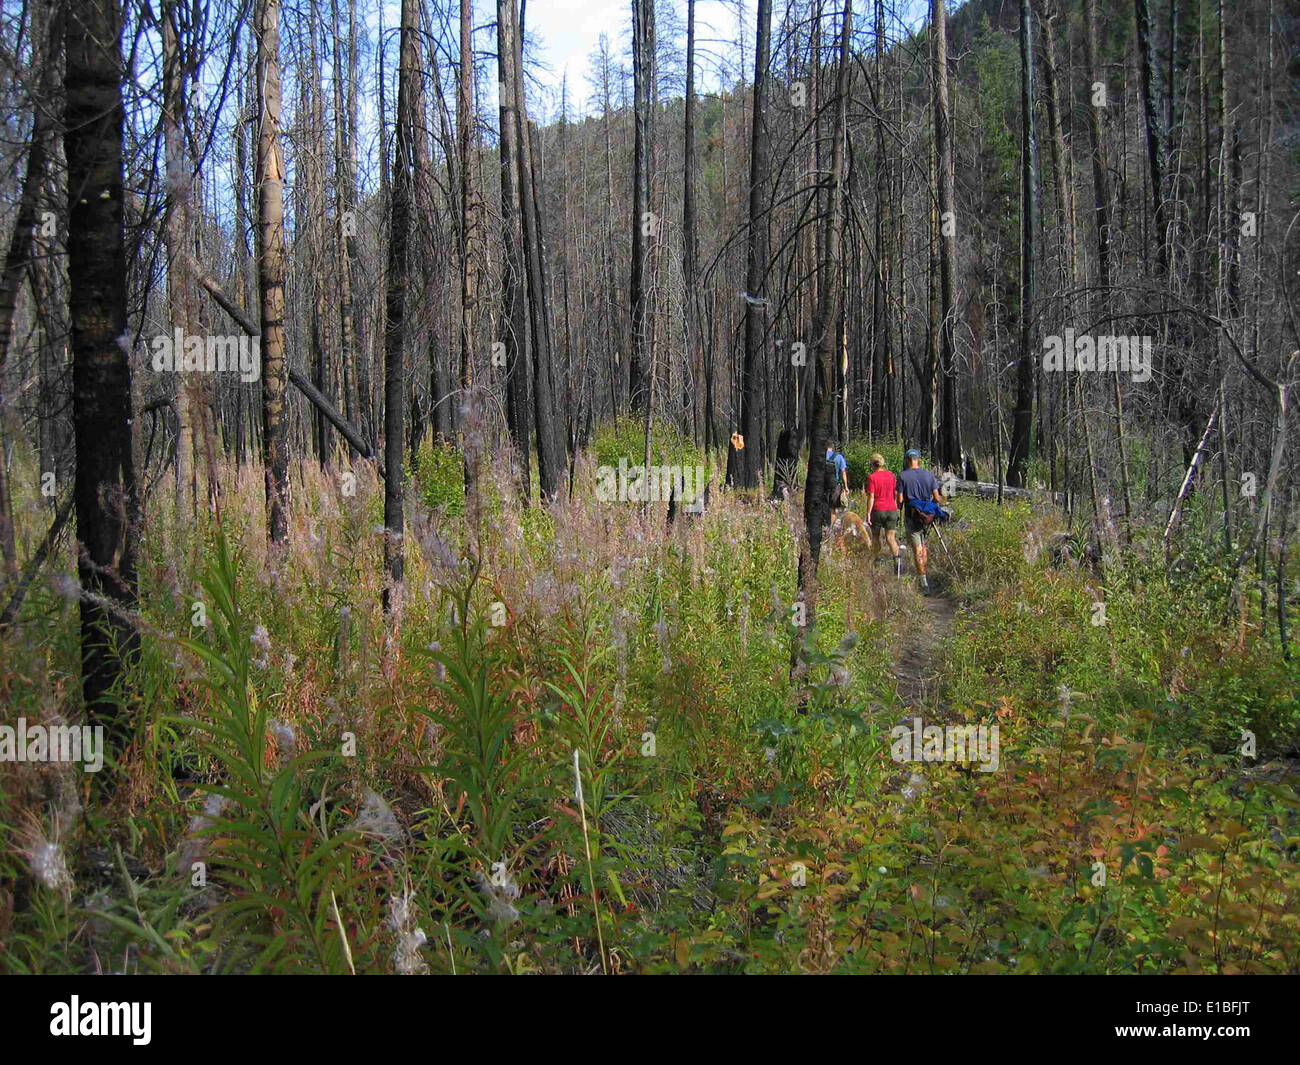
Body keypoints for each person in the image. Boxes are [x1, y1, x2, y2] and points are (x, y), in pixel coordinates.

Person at [898, 448, 946, 593]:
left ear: (907, 460)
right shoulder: (929, 476)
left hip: (912, 515)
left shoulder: (902, 476)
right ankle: (924, 574)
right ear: (918, 459)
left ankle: (923, 582)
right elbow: (937, 498)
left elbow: (900, 500)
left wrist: (899, 507)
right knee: (923, 545)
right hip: (927, 516)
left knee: (917, 548)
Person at [864, 453, 902, 576]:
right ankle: (897, 562)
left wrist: (868, 513)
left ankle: (876, 561)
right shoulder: (891, 476)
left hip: (878, 510)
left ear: (872, 464)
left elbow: (871, 496)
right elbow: (895, 493)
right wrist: (895, 506)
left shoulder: (872, 477)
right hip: (891, 510)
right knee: (891, 538)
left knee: (875, 537)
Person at [825, 443, 849, 511]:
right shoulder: (839, 457)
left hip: (822, 485)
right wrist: (846, 487)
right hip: (835, 485)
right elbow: (843, 472)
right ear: (833, 447)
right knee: (833, 508)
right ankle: (831, 521)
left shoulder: (820, 456)